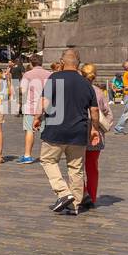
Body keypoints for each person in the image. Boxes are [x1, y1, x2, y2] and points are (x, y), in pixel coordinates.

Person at [36, 50, 100, 215]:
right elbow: (94, 111)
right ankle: (75, 206)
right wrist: (94, 129)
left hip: (55, 130)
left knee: (48, 160)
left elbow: (44, 102)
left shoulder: (55, 78)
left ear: (62, 62)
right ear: (78, 64)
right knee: (76, 169)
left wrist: (37, 117)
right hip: (79, 132)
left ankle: (63, 193)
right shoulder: (86, 83)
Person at [77, 63, 112, 209]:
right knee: (92, 167)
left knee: (76, 167)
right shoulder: (99, 91)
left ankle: (83, 194)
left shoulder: (76, 90)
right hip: (95, 134)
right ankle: (91, 196)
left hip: (78, 132)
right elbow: (108, 114)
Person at [18, 56, 51, 164]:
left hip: (31, 106)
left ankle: (27, 156)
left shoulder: (28, 74)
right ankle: (45, 156)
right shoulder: (49, 74)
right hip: (46, 107)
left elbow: (22, 90)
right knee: (45, 133)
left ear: (31, 63)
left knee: (29, 130)